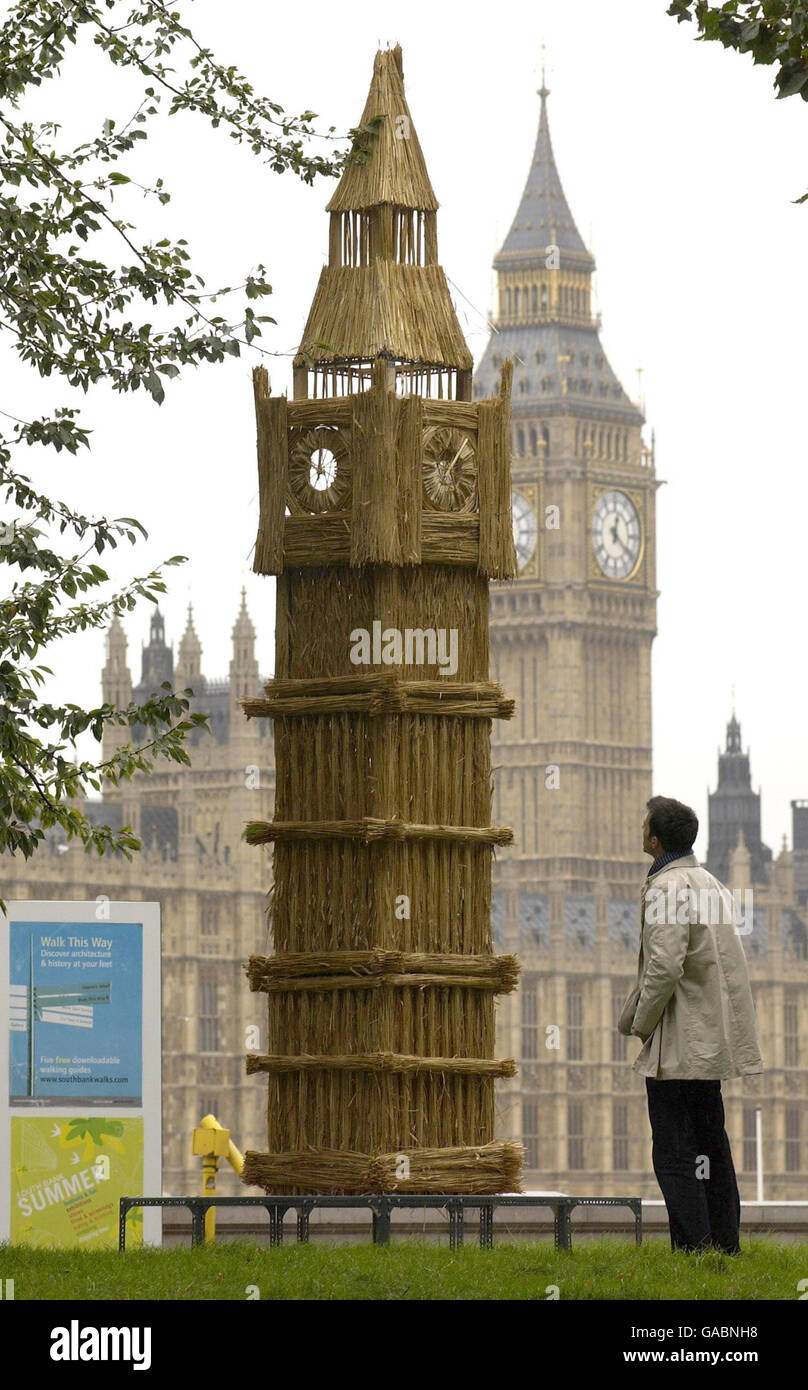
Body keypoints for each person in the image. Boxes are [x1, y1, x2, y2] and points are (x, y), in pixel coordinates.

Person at [618, 795, 763, 1254]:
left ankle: (694, 1248)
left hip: (680, 1044)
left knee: (675, 1154)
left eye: (645, 826)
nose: (641, 831)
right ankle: (724, 1245)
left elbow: (664, 966)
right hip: (711, 1042)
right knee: (711, 1149)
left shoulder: (666, 888)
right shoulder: (714, 885)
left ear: (655, 839)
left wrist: (642, 1024)